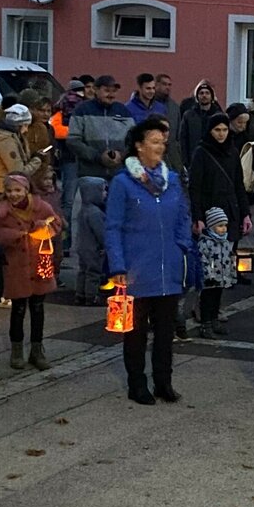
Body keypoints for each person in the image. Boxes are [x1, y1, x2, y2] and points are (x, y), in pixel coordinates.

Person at [104, 119, 194, 405]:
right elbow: (113, 227)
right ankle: (137, 382)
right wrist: (118, 265)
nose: (160, 147)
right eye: (155, 141)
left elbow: (183, 216)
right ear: (140, 146)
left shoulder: (173, 180)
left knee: (166, 332)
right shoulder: (123, 183)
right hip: (135, 271)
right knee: (136, 332)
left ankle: (163, 382)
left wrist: (183, 247)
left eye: (163, 142)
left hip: (168, 268)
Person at [0, 171, 62, 374]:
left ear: (26, 189)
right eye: (10, 190)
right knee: (18, 309)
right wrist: (15, 236)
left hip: (39, 262)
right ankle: (17, 350)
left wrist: (44, 228)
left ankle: (37, 350)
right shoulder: (1, 213)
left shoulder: (41, 207)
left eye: (18, 190)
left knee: (38, 308)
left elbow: (56, 223)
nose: (14, 194)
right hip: (16, 266)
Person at [187, 113, 248, 262]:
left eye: (225, 130)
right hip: (210, 212)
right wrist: (197, 217)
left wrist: (245, 213)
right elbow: (195, 187)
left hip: (231, 211)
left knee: (228, 257)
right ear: (210, 131)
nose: (221, 134)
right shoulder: (201, 152)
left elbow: (239, 184)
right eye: (217, 130)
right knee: (210, 260)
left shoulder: (232, 152)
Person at [67, 75, 133, 207]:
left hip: (118, 175)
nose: (111, 95)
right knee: (90, 215)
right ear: (96, 90)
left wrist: (122, 155)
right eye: (107, 90)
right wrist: (98, 156)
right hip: (91, 176)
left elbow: (133, 140)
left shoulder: (124, 111)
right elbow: (73, 140)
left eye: (114, 91)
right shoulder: (82, 111)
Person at [196, 207, 237, 335]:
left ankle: (214, 321)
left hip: (221, 278)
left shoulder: (225, 242)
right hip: (210, 279)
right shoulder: (205, 242)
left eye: (225, 225)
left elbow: (229, 258)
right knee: (207, 301)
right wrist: (208, 274)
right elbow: (203, 260)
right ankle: (205, 324)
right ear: (211, 226)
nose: (224, 228)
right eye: (220, 225)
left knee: (216, 301)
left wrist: (232, 274)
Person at [72, 177, 110, 306]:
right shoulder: (95, 213)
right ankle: (91, 296)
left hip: (82, 246)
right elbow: (101, 233)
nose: (105, 193)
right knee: (93, 273)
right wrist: (107, 245)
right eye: (103, 191)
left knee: (83, 270)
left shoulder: (83, 210)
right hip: (93, 248)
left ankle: (80, 294)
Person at [173, 80, 220, 173]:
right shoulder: (189, 115)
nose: (204, 95)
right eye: (201, 93)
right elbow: (183, 139)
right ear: (197, 96)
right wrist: (185, 162)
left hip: (214, 162)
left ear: (212, 96)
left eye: (207, 93)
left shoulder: (218, 115)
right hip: (193, 162)